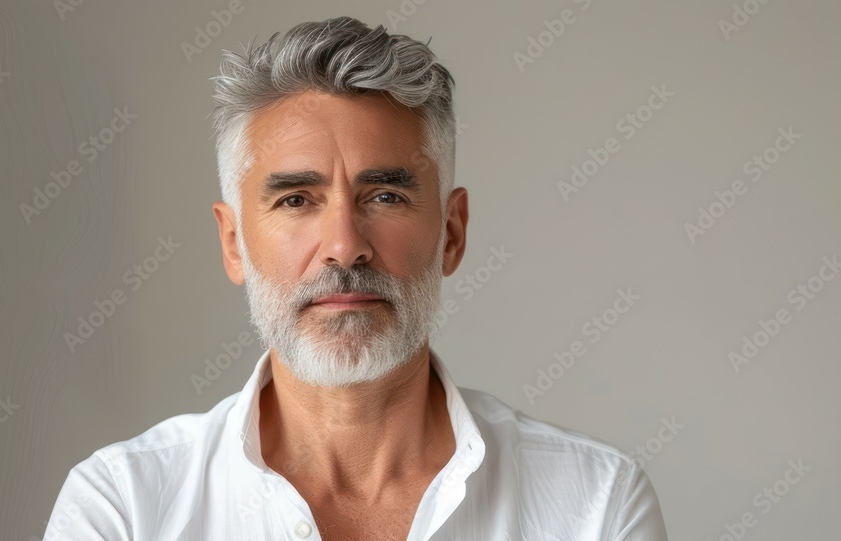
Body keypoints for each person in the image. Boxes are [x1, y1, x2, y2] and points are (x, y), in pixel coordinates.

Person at [44, 16, 668, 540]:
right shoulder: (122, 509)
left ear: (452, 231)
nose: (345, 246)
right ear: (233, 243)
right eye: (296, 200)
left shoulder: (596, 508)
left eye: (387, 196)